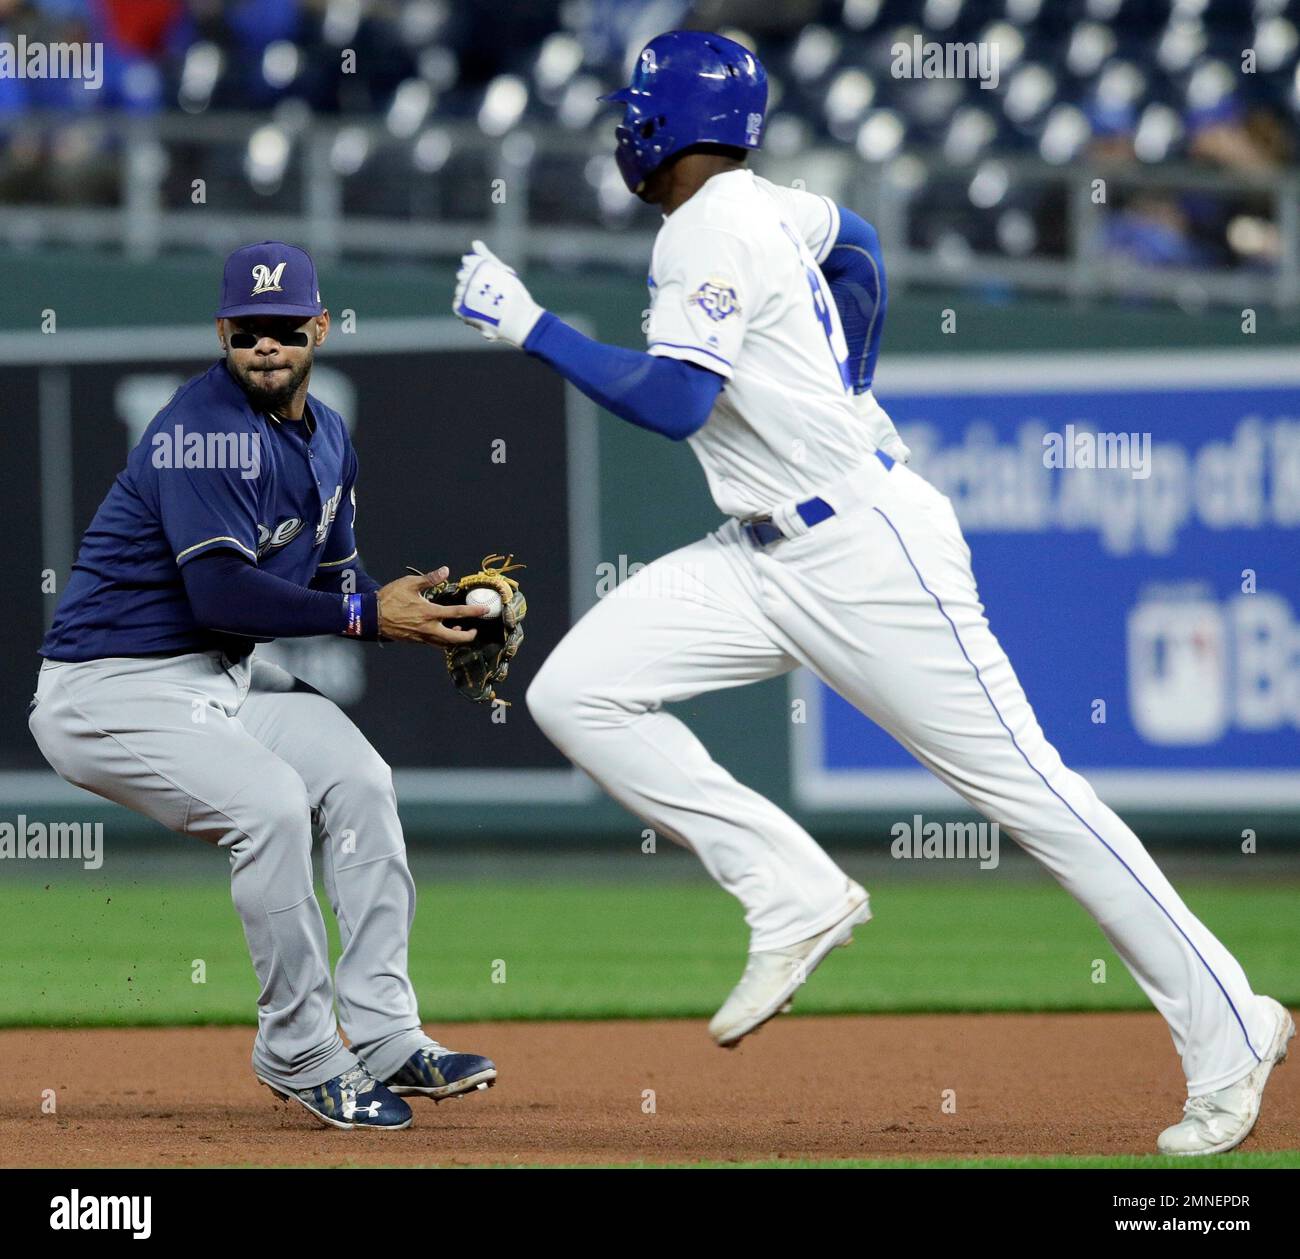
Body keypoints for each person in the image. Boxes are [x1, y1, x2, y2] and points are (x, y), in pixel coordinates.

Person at [451, 31, 1292, 1157]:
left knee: (1036, 795)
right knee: (578, 691)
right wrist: (854, 369)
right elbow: (857, 243)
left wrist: (530, 328)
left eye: (635, 109)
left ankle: (1232, 1024)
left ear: (660, 128)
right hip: (759, 554)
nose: (623, 128)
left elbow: (673, 403)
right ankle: (792, 889)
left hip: (865, 555)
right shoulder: (764, 203)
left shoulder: (706, 227)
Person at [30, 240, 497, 1131]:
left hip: (216, 677)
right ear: (223, 333)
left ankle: (389, 1032)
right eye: (249, 330)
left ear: (319, 327)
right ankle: (298, 1047)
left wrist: (429, 611)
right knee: (273, 805)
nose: (267, 345)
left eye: (286, 327)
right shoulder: (197, 430)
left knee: (361, 781)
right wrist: (369, 619)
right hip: (106, 686)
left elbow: (332, 591)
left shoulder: (329, 442)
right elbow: (221, 591)